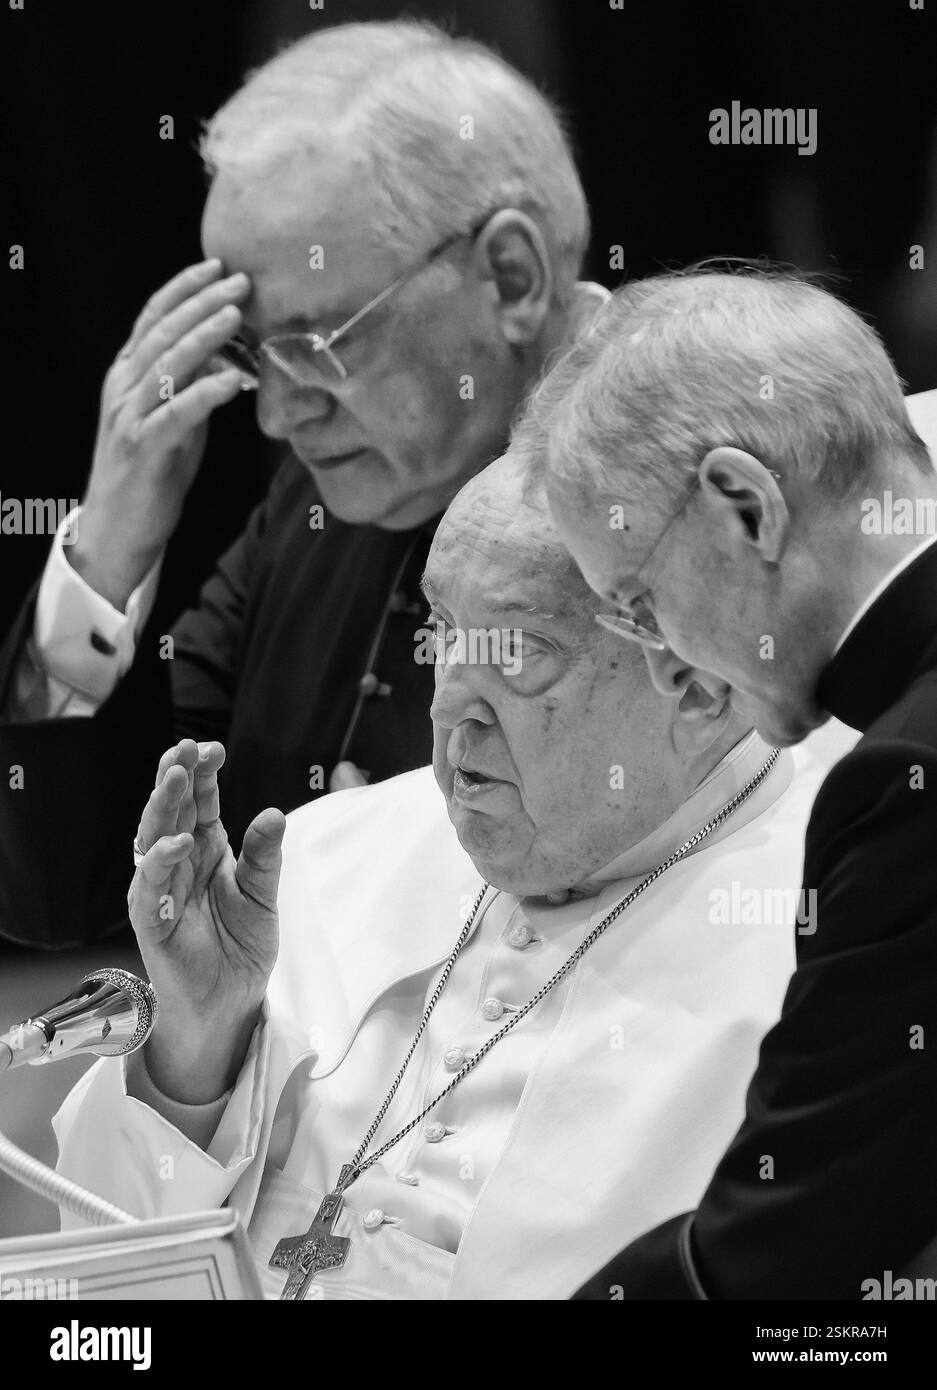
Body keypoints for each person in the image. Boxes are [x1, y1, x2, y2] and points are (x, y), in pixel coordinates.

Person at [53, 449, 831, 1300]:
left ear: (699, 680)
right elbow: (102, 1290)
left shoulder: (822, 949)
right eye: (445, 634)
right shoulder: (319, 855)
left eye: (521, 652)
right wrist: (191, 1052)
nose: (449, 702)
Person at [0, 19, 605, 948]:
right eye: (250, 353)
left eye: (317, 343)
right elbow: (73, 898)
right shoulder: (315, 509)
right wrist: (108, 556)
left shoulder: (682, 511)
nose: (276, 417)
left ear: (511, 276)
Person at [527, 265, 937, 1298]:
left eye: (635, 598)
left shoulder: (906, 781)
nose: (657, 655)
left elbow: (791, 1247)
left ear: (745, 506)